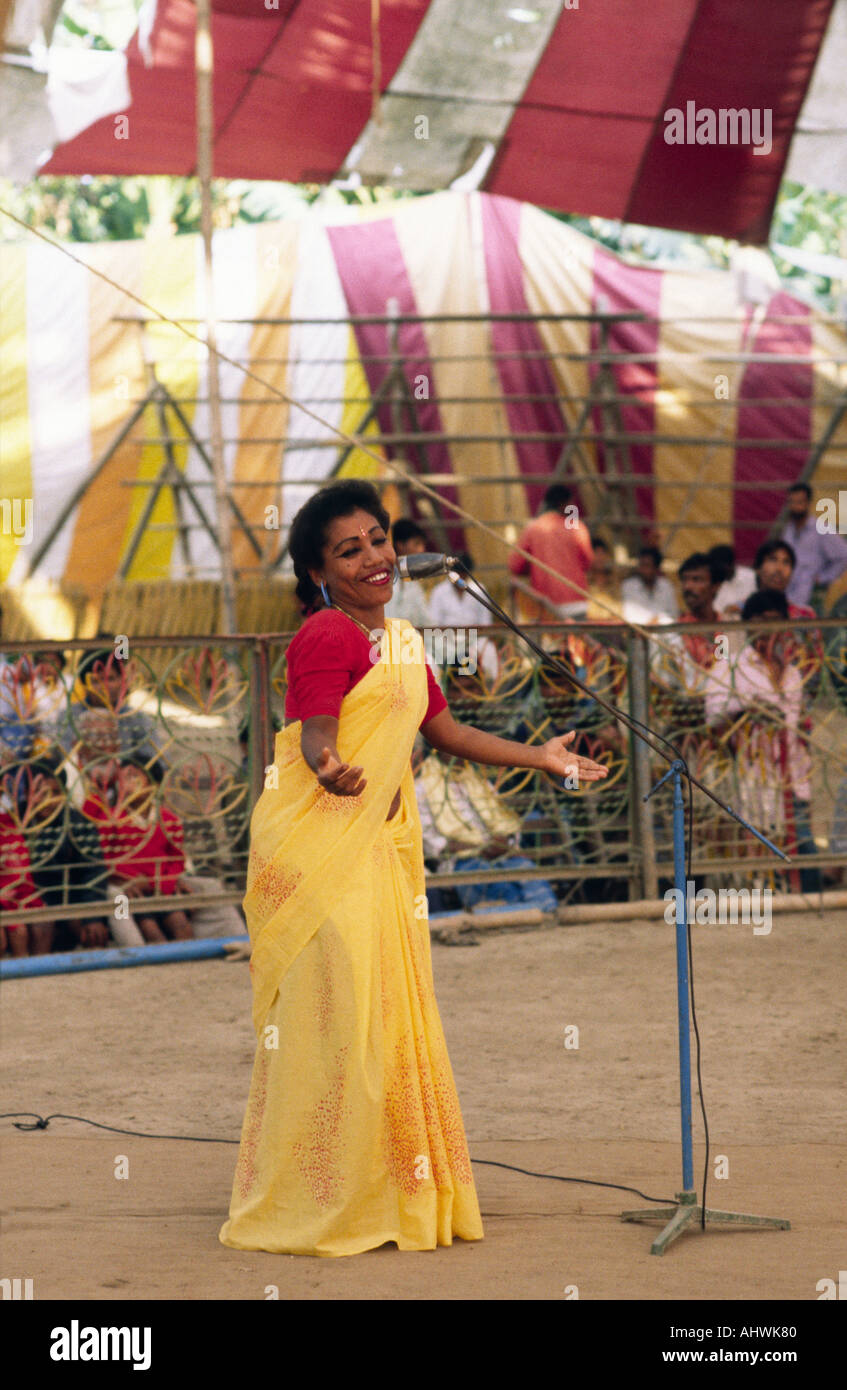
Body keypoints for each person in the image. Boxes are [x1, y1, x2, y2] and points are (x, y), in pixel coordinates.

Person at [219, 479, 608, 1257]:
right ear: (319, 573)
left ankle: (388, 1185)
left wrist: (541, 756)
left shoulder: (401, 640)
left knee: (384, 1023)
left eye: (378, 538)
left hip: (376, 852)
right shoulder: (327, 635)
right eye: (349, 549)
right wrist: (329, 767)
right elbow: (315, 736)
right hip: (316, 851)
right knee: (344, 1025)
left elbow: (447, 730)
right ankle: (328, 1196)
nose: (374, 557)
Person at [704, 589, 821, 891]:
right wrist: (747, 710)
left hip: (791, 776)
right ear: (748, 624)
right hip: (750, 776)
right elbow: (713, 718)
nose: (768, 628)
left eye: (775, 620)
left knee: (801, 848)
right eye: (760, 620)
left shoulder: (793, 674)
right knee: (760, 854)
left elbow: (797, 729)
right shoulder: (729, 668)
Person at [508, 483, 594, 621]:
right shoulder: (577, 527)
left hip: (544, 605)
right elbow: (588, 562)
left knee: (546, 643)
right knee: (577, 642)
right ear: (564, 503)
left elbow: (515, 565)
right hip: (576, 602)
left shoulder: (533, 528)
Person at [780, 481, 847, 610]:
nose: (795, 507)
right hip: (788, 595)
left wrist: (823, 578)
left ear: (808, 503)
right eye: (791, 502)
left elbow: (843, 556)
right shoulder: (788, 529)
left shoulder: (821, 529)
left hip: (810, 595)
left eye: (799, 502)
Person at [383, 518, 433, 629]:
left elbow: (426, 623)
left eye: (422, 544)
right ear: (400, 545)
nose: (421, 550)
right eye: (416, 544)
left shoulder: (412, 582)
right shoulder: (386, 581)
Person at [620, 546, 678, 625]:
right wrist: (649, 623)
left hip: (664, 633)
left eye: (647, 565)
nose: (642, 569)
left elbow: (673, 614)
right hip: (638, 634)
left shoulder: (666, 586)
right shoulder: (629, 586)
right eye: (641, 565)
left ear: (656, 568)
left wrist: (658, 619)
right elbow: (629, 616)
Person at [709, 544, 756, 618]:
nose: (718, 570)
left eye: (721, 566)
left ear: (731, 564)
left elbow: (759, 599)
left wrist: (740, 606)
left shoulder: (751, 576)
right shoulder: (714, 585)